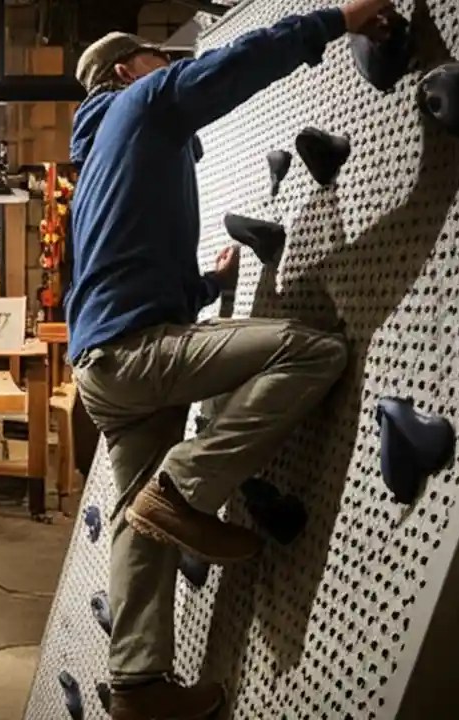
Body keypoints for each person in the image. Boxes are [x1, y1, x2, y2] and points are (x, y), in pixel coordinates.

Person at [67, 1, 394, 716]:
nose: (173, 66)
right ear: (129, 70)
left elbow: (114, 268)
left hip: (102, 368)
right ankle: (184, 488)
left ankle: (138, 686)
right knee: (312, 353)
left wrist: (205, 286)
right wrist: (338, 18)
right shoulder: (144, 105)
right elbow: (235, 66)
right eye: (161, 58)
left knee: (135, 522)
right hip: (138, 352)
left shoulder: (95, 166)